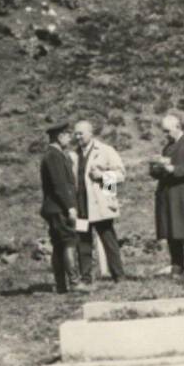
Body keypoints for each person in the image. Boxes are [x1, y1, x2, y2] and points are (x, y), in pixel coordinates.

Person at [150, 112, 184, 286]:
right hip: (168, 195)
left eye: (167, 131)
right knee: (172, 233)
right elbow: (158, 172)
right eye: (163, 132)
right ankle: (177, 267)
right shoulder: (168, 147)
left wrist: (172, 169)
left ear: (177, 127)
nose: (165, 135)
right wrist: (156, 167)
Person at [72, 119, 125, 283]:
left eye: (81, 133)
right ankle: (86, 277)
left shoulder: (105, 150)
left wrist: (102, 177)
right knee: (83, 241)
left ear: (90, 133)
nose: (78, 137)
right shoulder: (74, 155)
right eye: (75, 134)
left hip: (100, 205)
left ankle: (118, 275)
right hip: (81, 206)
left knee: (108, 239)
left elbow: (120, 174)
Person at [40, 121, 85, 293]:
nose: (72, 138)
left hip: (60, 207)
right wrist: (70, 207)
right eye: (68, 135)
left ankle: (62, 285)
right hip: (61, 208)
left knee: (61, 244)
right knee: (68, 241)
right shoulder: (54, 156)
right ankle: (74, 282)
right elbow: (60, 185)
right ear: (59, 137)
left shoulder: (57, 154)